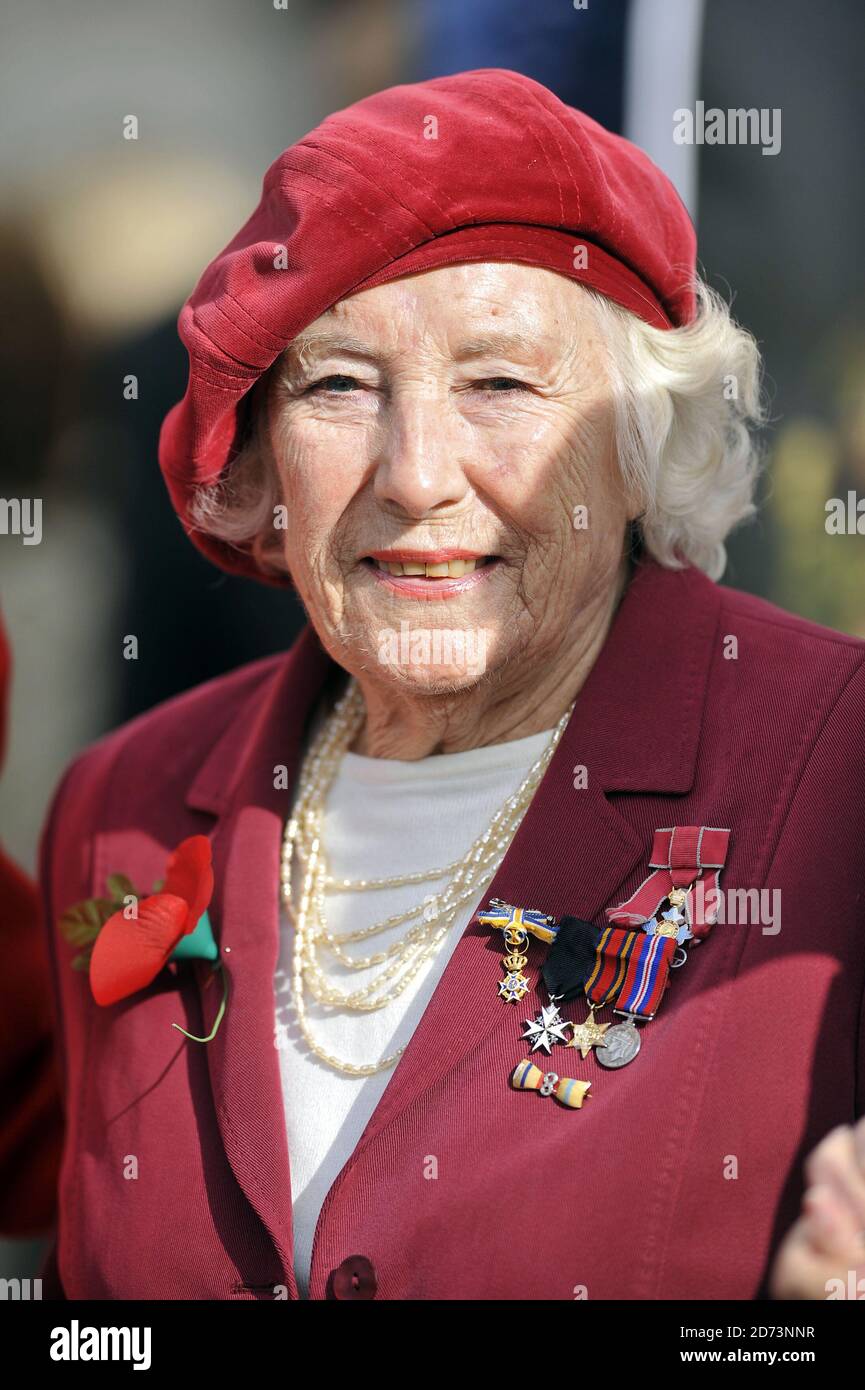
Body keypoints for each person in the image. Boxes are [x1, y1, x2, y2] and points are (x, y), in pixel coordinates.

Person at [38, 69, 865, 1301]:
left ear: (644, 444)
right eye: (338, 386)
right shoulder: (124, 801)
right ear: (259, 464)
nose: (416, 475)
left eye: (500, 382)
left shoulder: (837, 765)